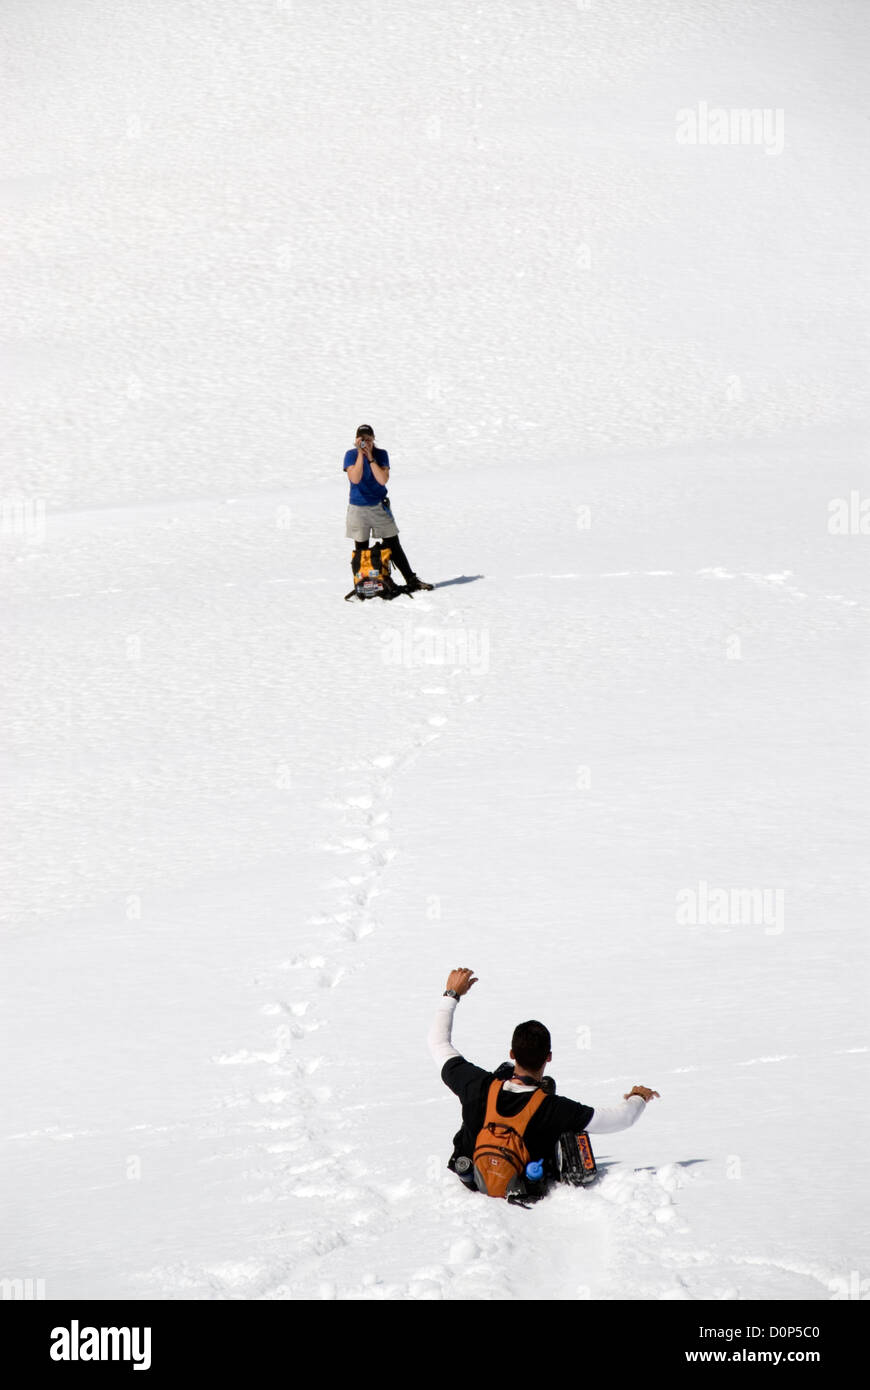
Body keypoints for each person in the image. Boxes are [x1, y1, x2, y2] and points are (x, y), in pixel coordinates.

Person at [428, 966, 660, 1187]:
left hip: (472, 1178)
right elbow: (622, 1119)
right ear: (548, 1057)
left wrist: (452, 994)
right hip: (523, 1183)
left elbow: (438, 1043)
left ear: (512, 1053)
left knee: (497, 1078)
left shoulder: (478, 1085)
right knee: (566, 1124)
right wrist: (638, 1097)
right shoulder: (552, 1108)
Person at [343, 425, 433, 592]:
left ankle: (411, 580)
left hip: (378, 506)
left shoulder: (381, 454)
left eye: (368, 439)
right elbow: (355, 478)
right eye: (362, 440)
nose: (366, 443)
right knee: (361, 549)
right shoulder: (351, 455)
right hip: (358, 508)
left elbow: (382, 479)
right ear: (356, 441)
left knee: (393, 543)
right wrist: (360, 456)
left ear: (373, 439)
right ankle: (364, 584)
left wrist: (370, 457)